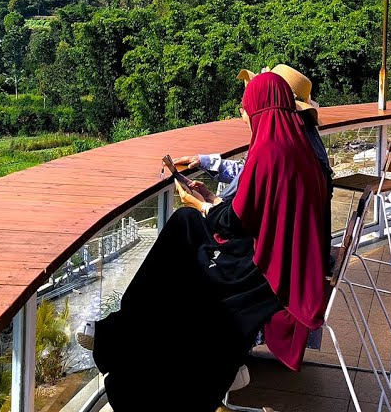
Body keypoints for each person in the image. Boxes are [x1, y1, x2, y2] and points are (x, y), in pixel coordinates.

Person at [88, 72, 331, 412]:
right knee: (183, 236)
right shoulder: (300, 145)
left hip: (263, 270)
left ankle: (119, 337)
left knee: (180, 247)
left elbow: (237, 222)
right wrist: (210, 201)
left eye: (246, 106)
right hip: (283, 260)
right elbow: (258, 211)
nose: (244, 114)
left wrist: (200, 204)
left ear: (261, 106)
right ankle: (118, 333)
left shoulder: (272, 149)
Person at [173, 64, 334, 198]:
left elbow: (231, 214)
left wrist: (204, 202)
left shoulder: (279, 148)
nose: (245, 114)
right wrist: (205, 161)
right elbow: (249, 172)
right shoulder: (302, 137)